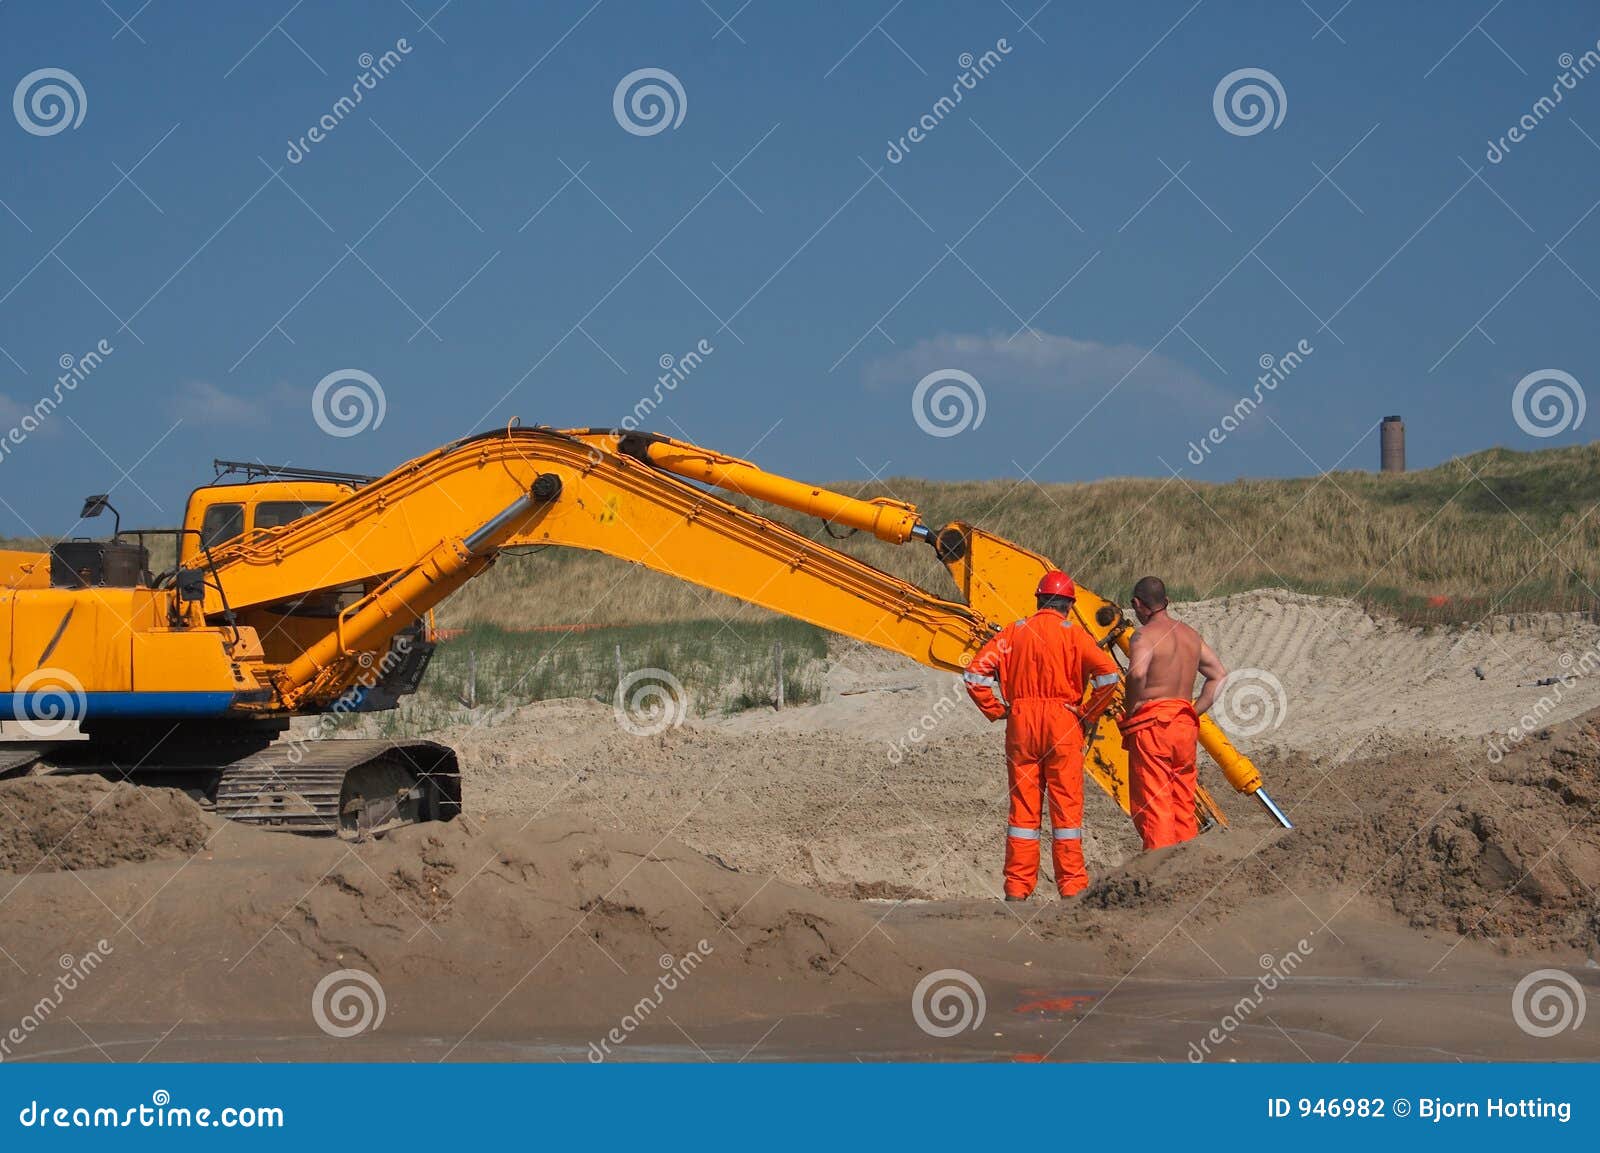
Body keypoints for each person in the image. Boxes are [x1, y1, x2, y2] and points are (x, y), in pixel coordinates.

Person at [963, 572, 1122, 900]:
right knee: (1066, 812)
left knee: (1022, 811)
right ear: (1069, 606)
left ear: (1038, 601)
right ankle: (1072, 888)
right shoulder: (1074, 635)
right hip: (1063, 723)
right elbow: (1108, 676)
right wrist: (1088, 713)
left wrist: (998, 710)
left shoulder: (1013, 633)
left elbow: (975, 673)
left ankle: (1017, 890)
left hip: (1021, 725)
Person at [1120, 576, 1226, 851]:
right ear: (1167, 602)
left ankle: (1158, 867)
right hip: (1184, 725)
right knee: (1183, 799)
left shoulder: (1144, 636)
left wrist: (1131, 708)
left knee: (1155, 803)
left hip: (1154, 725)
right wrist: (1194, 710)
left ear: (1137, 604)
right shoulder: (1191, 635)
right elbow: (1219, 675)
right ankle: (1185, 866)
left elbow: (1138, 673)